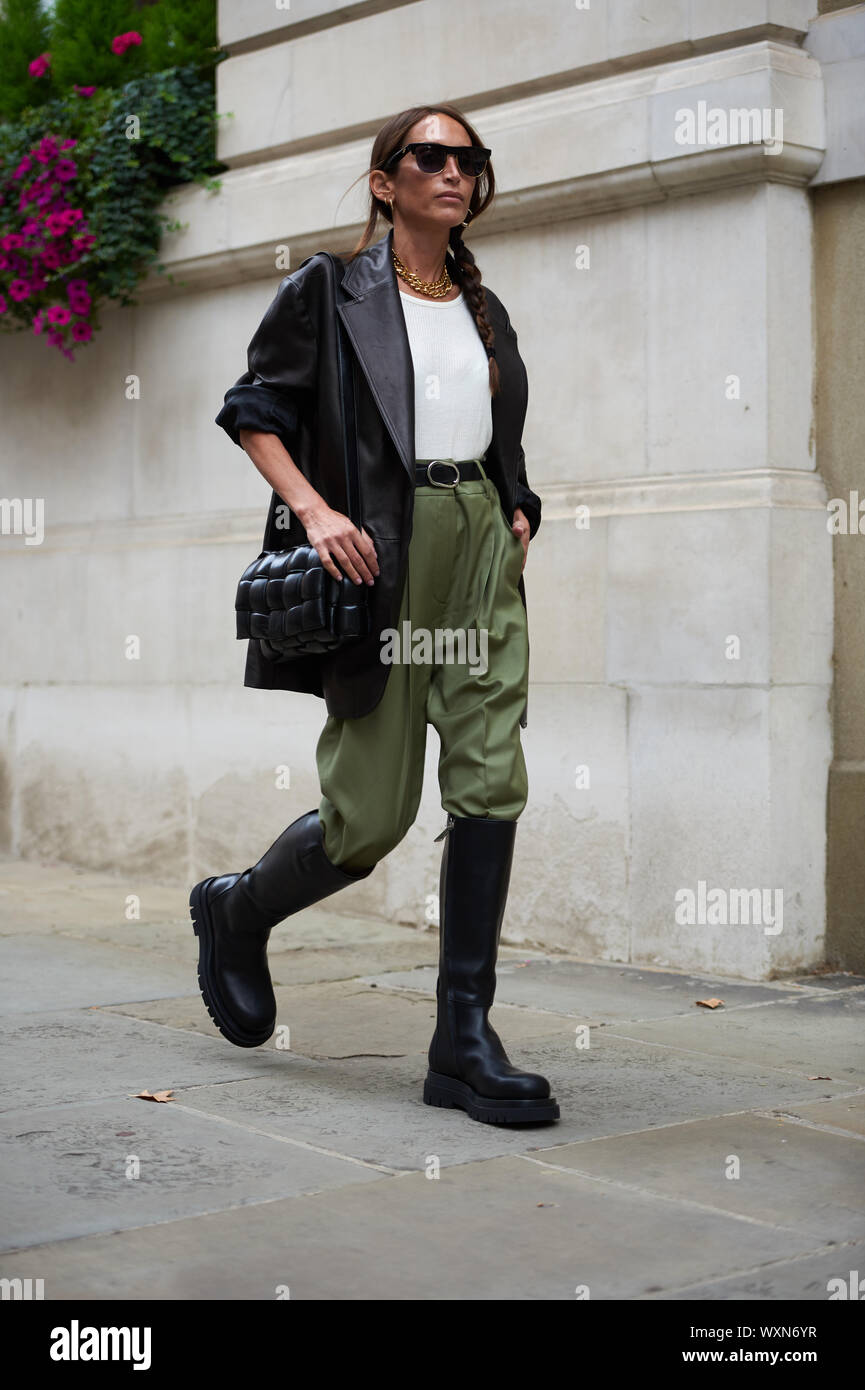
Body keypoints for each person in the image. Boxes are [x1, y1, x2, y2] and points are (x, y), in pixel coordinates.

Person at [190, 103, 559, 1126]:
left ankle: (462, 1036)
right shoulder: (329, 289)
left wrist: (518, 509)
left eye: (467, 159)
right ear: (383, 181)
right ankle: (237, 909)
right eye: (429, 156)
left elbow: (500, 440)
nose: (452, 170)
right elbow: (252, 408)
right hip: (385, 555)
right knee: (373, 817)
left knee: (492, 774)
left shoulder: (485, 309)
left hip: (479, 548)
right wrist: (315, 512)